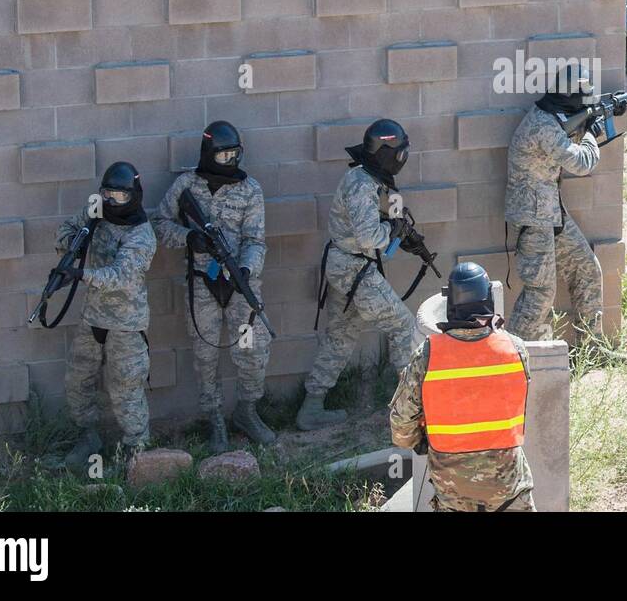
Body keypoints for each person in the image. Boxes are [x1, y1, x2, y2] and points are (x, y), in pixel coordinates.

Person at [153, 121, 273, 453]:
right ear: (208, 153)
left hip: (240, 284)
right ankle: (215, 418)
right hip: (201, 284)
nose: (229, 160)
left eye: (234, 154)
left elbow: (256, 241)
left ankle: (247, 411)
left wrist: (246, 270)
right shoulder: (185, 186)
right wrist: (188, 237)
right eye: (222, 155)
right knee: (205, 355)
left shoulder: (250, 190)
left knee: (252, 350)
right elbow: (161, 224)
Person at [297, 119, 418, 431]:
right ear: (387, 153)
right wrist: (393, 230)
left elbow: (388, 218)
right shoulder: (361, 185)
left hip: (347, 266)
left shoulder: (373, 178)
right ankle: (411, 411)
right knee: (404, 327)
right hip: (353, 268)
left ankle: (311, 406)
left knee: (340, 335)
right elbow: (369, 237)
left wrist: (404, 234)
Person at [389, 262, 535, 512]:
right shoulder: (516, 348)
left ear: (450, 305)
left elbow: (401, 429)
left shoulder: (427, 354)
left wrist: (421, 440)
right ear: (488, 299)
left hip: (452, 493)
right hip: (507, 489)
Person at [62, 162, 157, 472]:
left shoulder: (142, 234)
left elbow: (119, 276)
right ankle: (87, 438)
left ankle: (136, 453)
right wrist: (74, 244)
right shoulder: (96, 210)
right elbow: (64, 231)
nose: (112, 202)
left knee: (126, 389)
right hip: (92, 318)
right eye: (107, 194)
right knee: (79, 380)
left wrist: (79, 273)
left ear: (134, 195)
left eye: (119, 196)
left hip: (125, 325)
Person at [503, 62, 607, 342]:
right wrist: (590, 133)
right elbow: (582, 162)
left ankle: (592, 349)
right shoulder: (543, 124)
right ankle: (512, 360)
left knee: (587, 268)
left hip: (550, 212)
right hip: (533, 218)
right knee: (540, 292)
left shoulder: (553, 114)